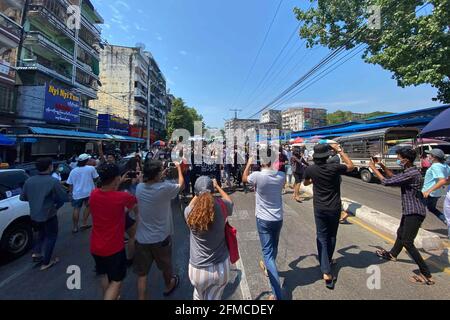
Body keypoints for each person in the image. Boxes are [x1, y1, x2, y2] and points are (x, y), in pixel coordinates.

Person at [369, 147, 435, 286]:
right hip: (409, 210)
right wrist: (381, 165)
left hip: (414, 212)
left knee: (407, 242)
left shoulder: (411, 173)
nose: (398, 159)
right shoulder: (410, 170)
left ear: (405, 159)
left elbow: (387, 182)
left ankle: (426, 273)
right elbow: (393, 177)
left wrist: (373, 168)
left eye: (399, 157)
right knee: (400, 233)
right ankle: (392, 254)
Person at [304, 143, 354, 290]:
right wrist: (340, 151)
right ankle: (328, 262)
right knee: (332, 235)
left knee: (321, 236)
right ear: (327, 155)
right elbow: (350, 166)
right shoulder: (334, 168)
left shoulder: (310, 169)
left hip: (319, 207)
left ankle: (325, 270)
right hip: (334, 208)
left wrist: (314, 179)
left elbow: (306, 183)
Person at [133, 160, 184, 300]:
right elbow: (181, 184)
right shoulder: (165, 188)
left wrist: (159, 176)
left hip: (142, 238)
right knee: (166, 266)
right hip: (161, 238)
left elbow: (146, 182)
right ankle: (169, 285)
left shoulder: (139, 188)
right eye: (161, 171)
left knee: (142, 274)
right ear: (156, 175)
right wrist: (179, 168)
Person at [89, 163, 138, 300]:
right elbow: (135, 208)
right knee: (117, 281)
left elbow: (108, 196)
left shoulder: (93, 195)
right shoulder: (123, 197)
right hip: (114, 248)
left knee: (105, 275)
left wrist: (117, 182)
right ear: (117, 178)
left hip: (96, 247)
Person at [243, 150, 286, 300]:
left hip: (263, 218)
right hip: (278, 218)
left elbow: (244, 178)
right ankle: (269, 266)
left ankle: (277, 295)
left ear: (262, 161)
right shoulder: (281, 176)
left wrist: (248, 164)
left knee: (267, 253)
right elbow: (282, 185)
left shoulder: (257, 176)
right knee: (273, 247)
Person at [185, 176, 233, 300]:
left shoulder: (189, 212)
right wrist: (217, 187)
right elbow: (230, 201)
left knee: (198, 296)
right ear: (213, 191)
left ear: (195, 192)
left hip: (197, 270)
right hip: (220, 268)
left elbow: (190, 205)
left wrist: (198, 194)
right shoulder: (223, 206)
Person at [20, 158, 68, 271]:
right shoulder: (53, 181)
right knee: (51, 236)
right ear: (50, 167)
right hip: (49, 214)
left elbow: (22, 197)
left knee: (41, 234)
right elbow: (63, 197)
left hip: (34, 214)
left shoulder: (29, 181)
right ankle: (46, 262)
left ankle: (36, 253)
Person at [67, 154, 99, 233]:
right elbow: (96, 178)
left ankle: (75, 227)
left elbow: (70, 184)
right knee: (88, 207)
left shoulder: (73, 171)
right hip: (88, 192)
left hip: (77, 193)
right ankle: (84, 223)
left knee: (76, 209)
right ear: (86, 161)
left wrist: (70, 193)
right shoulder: (91, 168)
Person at [422, 149, 449, 225]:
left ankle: (415, 225)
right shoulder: (445, 166)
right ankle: (446, 221)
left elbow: (442, 180)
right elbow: (446, 180)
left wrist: (428, 191)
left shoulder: (435, 166)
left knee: (418, 209)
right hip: (438, 193)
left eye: (429, 155)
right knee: (432, 208)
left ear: (434, 157)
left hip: (428, 193)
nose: (428, 156)